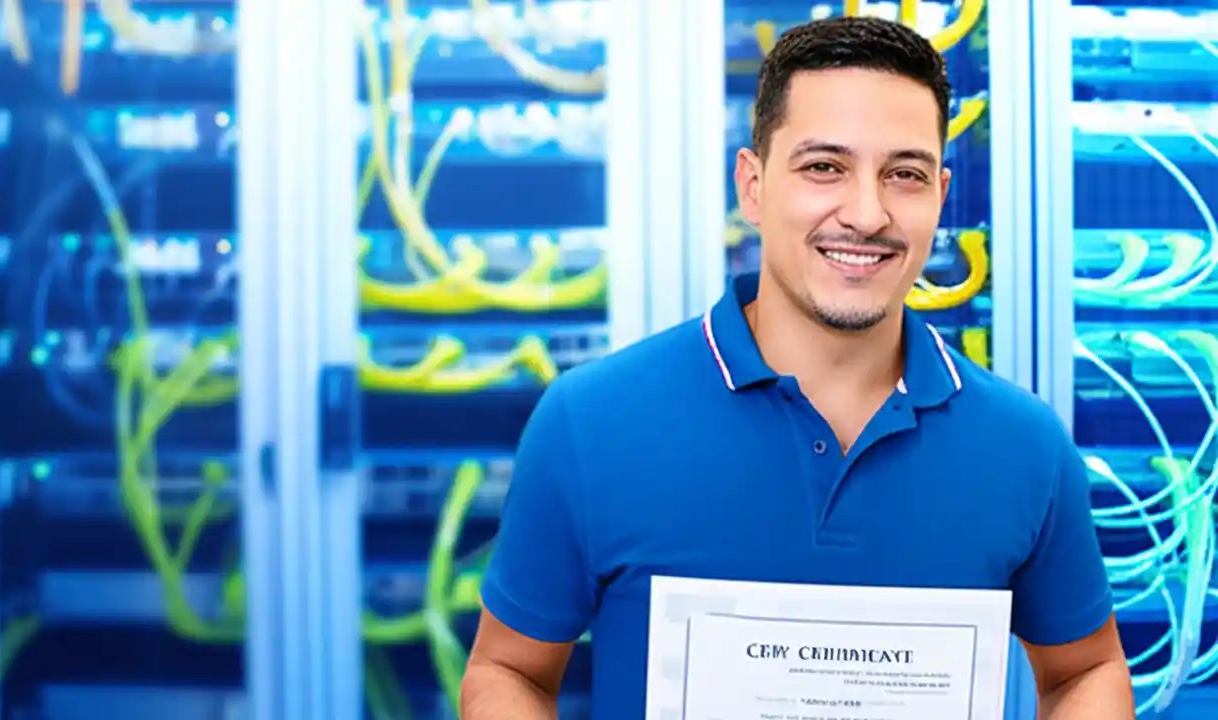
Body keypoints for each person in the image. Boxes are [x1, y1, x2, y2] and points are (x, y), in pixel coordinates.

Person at [460, 15, 1134, 719]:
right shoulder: (592, 421)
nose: (866, 213)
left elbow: (1086, 672)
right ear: (752, 185)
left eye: (903, 175)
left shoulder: (1024, 445)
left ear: (939, 193)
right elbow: (508, 672)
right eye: (824, 167)